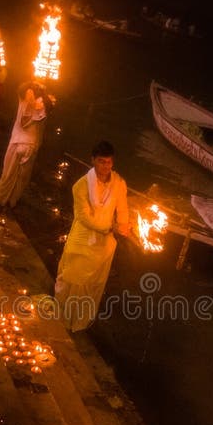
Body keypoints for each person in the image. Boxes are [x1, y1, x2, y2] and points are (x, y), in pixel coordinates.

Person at [54, 140, 131, 333]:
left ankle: (79, 324)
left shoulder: (119, 183)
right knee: (71, 279)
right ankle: (61, 319)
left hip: (104, 245)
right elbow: (83, 217)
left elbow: (122, 209)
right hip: (82, 240)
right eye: (101, 162)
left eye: (109, 162)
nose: (106, 167)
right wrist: (110, 227)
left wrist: (124, 226)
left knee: (92, 286)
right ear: (93, 161)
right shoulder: (80, 186)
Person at [0, 80, 53, 210]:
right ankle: (12, 202)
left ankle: (2, 200)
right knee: (22, 177)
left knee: (8, 173)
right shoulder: (47, 103)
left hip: (17, 141)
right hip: (31, 144)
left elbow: (21, 87)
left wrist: (32, 82)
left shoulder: (23, 98)